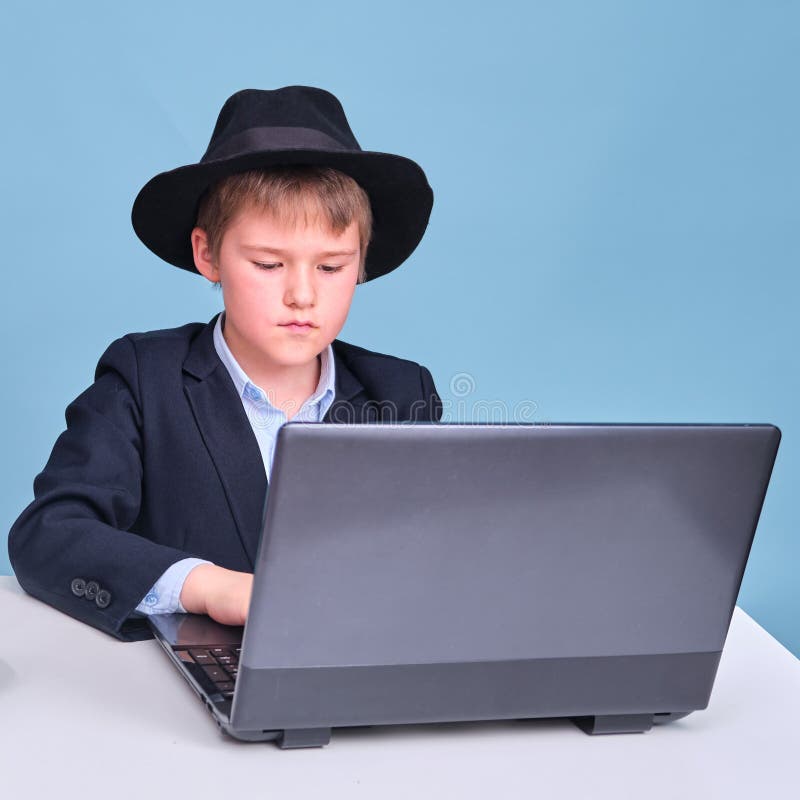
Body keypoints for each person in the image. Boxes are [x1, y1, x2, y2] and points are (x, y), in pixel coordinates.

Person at [7, 86, 442, 641]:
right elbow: (48, 533)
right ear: (207, 254)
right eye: (267, 263)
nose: (302, 295)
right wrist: (209, 586)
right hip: (178, 682)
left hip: (356, 664)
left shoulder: (404, 392)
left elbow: (434, 554)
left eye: (331, 267)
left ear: (361, 264)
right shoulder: (144, 378)